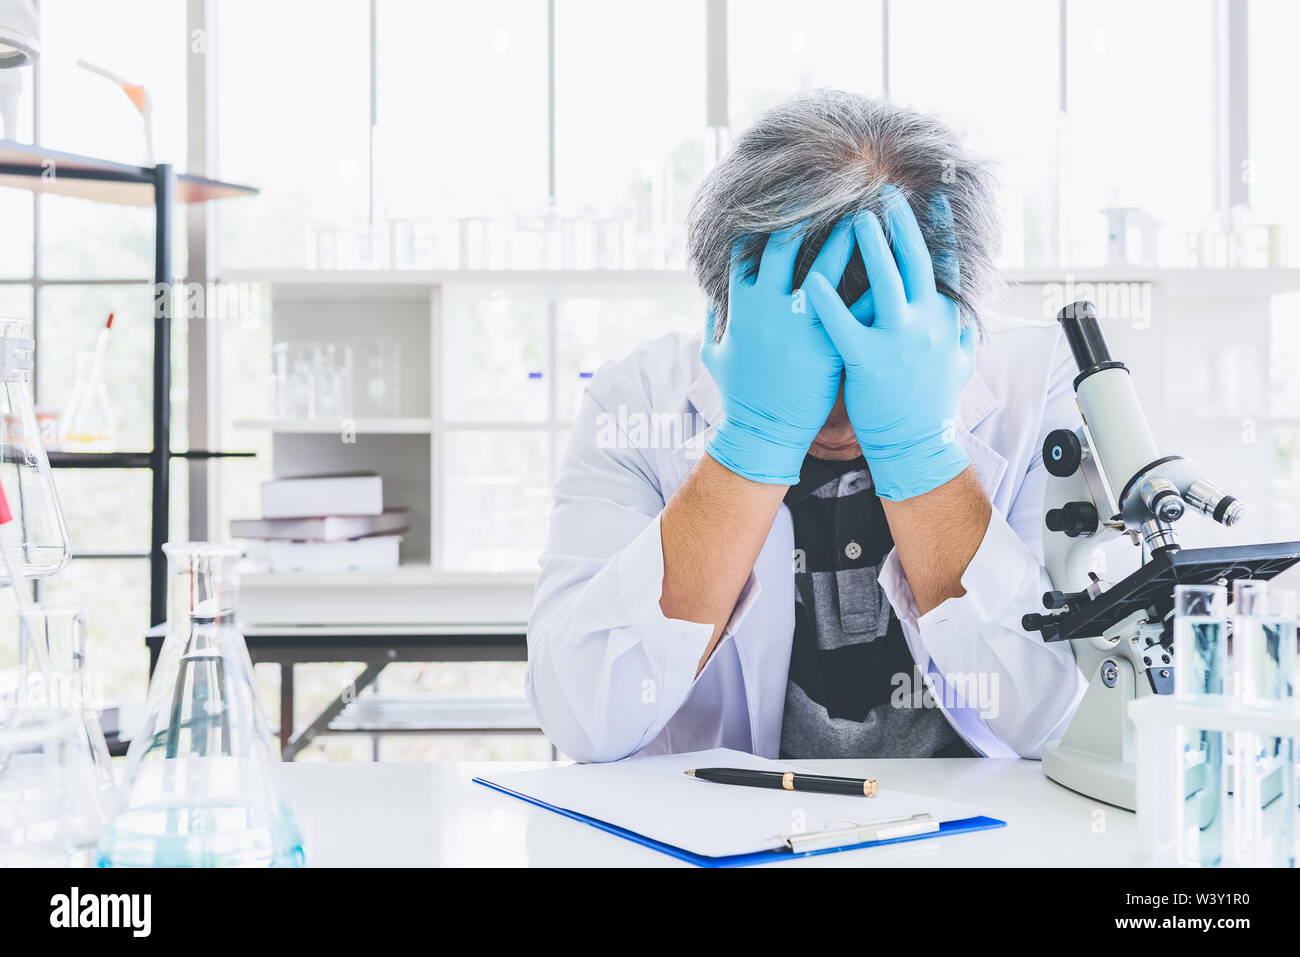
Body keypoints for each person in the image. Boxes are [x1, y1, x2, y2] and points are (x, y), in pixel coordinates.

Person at [526, 89, 1086, 763]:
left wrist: (920, 453)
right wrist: (752, 443)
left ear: (958, 316)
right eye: (810, 354)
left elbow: (1070, 724)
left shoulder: (1047, 385)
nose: (839, 410)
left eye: (872, 354)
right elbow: (585, 718)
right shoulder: (635, 403)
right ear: (727, 301)